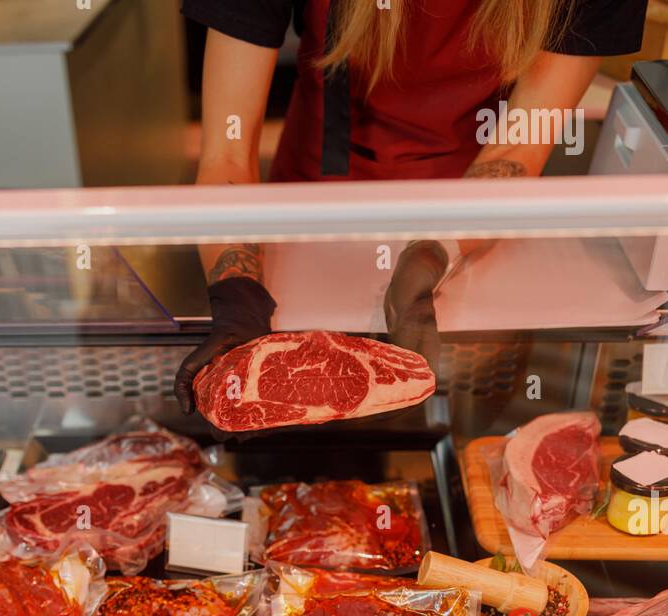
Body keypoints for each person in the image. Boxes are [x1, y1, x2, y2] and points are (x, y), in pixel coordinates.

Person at [174, 0, 647, 413]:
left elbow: (514, 152)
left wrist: (433, 250)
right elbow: (228, 153)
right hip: (313, 208)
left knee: (454, 424)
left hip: (476, 224)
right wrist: (237, 292)